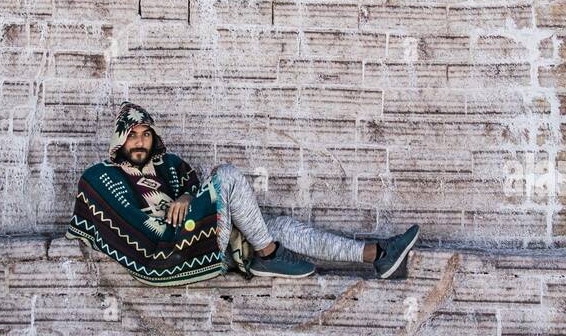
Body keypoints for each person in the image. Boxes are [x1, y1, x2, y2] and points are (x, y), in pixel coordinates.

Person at [67, 100, 420, 289]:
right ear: (119, 140)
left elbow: (192, 186)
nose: (140, 141)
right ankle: (268, 254)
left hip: (200, 236)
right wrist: (179, 215)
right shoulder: (103, 176)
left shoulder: (169, 165)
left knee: (280, 227)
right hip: (169, 251)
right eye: (132, 135)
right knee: (228, 176)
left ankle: (378, 254)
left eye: (145, 134)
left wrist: (188, 198)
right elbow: (116, 217)